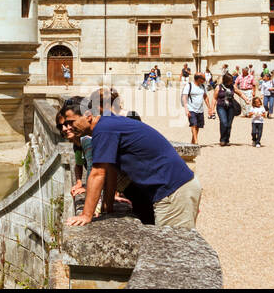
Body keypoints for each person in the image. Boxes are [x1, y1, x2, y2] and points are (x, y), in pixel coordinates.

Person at [60, 99, 202, 229]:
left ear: (88, 115)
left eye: (71, 122)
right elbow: (110, 170)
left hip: (174, 190)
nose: (69, 127)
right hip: (173, 188)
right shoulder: (107, 123)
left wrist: (86, 215)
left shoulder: (104, 129)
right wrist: (108, 206)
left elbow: (97, 173)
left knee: (172, 248)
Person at [214, 74, 246, 146]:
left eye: (232, 80)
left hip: (231, 107)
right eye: (230, 81)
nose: (232, 82)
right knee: (224, 122)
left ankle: (226, 140)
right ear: (226, 80)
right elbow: (214, 98)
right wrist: (211, 109)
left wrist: (246, 99)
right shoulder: (218, 87)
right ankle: (222, 139)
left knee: (229, 124)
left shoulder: (233, 87)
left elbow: (240, 93)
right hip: (221, 106)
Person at [181, 72, 208, 145]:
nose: (205, 80)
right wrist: (186, 109)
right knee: (194, 124)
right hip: (191, 109)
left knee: (197, 126)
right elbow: (184, 97)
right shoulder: (189, 86)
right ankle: (196, 142)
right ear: (199, 79)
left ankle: (193, 141)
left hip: (200, 109)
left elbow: (205, 96)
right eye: (203, 79)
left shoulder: (203, 86)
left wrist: (209, 108)